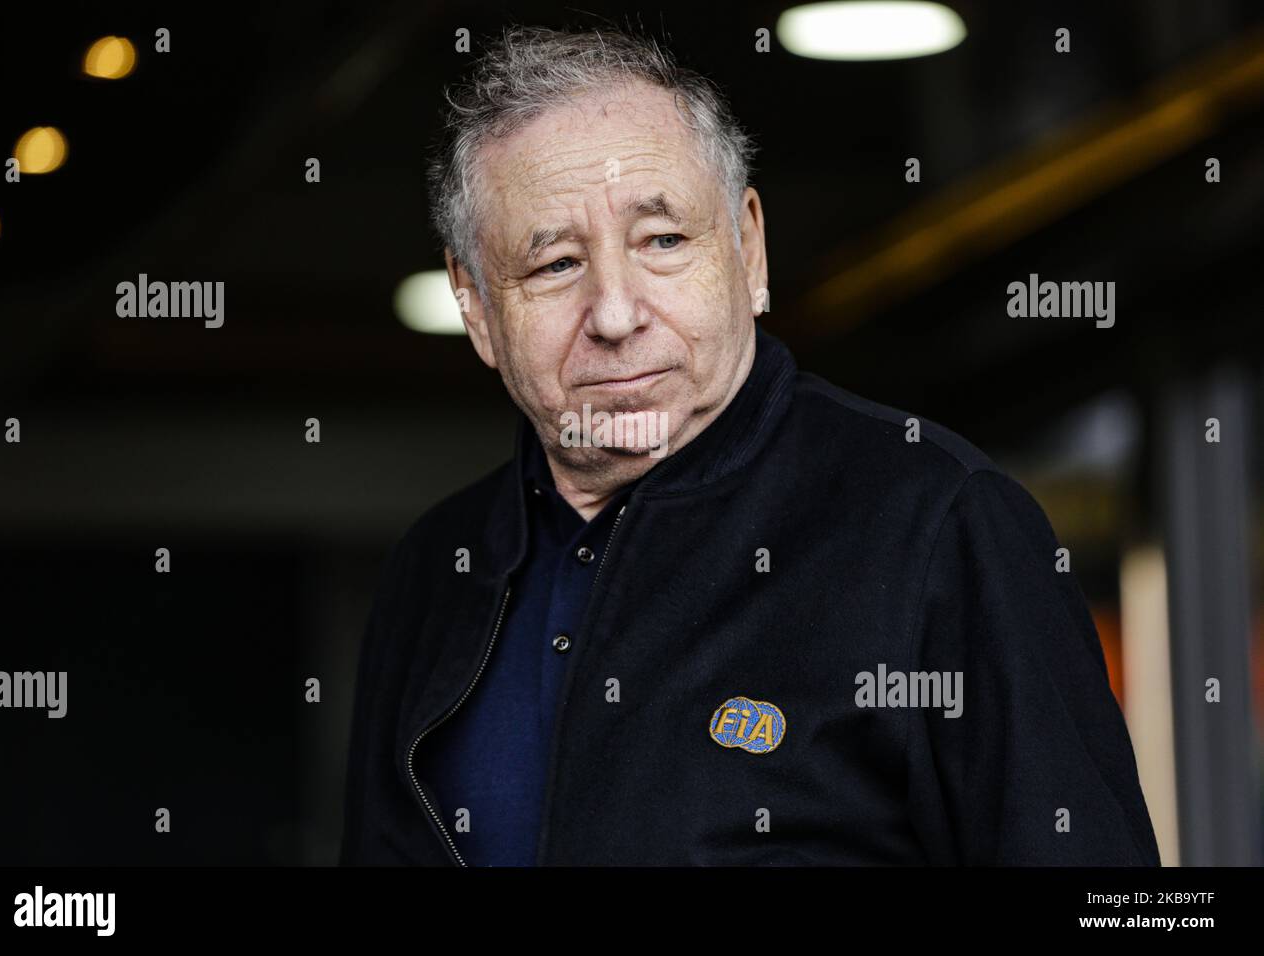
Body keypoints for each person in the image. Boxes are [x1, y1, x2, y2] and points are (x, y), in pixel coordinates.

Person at [339, 25, 1160, 866]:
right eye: (554, 264)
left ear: (749, 247)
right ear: (476, 306)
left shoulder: (937, 528)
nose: (617, 314)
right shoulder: (435, 573)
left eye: (664, 241)